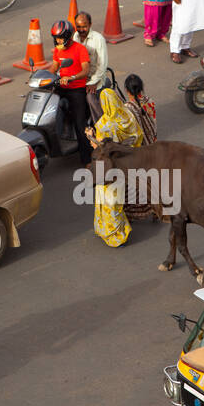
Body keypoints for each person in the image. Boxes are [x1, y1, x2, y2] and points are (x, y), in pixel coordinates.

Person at [89, 87, 143, 247]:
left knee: (108, 201)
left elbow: (98, 148)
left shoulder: (104, 125)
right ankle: (120, 230)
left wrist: (90, 136)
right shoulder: (128, 116)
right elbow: (137, 136)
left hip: (108, 168)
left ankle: (115, 234)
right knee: (117, 199)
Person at [48, 20, 94, 166]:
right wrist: (44, 77)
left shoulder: (80, 49)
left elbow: (85, 70)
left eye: (60, 38)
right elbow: (54, 67)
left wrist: (72, 78)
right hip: (61, 86)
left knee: (80, 125)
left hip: (76, 88)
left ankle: (87, 160)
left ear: (68, 36)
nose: (58, 41)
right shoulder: (57, 50)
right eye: (56, 38)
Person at [74, 13, 110, 121]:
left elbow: (102, 64)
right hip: (80, 77)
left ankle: (101, 127)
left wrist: (93, 82)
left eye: (84, 26)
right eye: (78, 27)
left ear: (90, 25)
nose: (81, 30)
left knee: (90, 97)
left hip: (96, 78)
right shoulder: (75, 36)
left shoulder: (98, 39)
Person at [120, 73, 157, 147]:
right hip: (152, 139)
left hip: (140, 146)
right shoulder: (149, 100)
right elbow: (153, 120)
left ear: (126, 90)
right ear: (141, 87)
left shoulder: (127, 108)